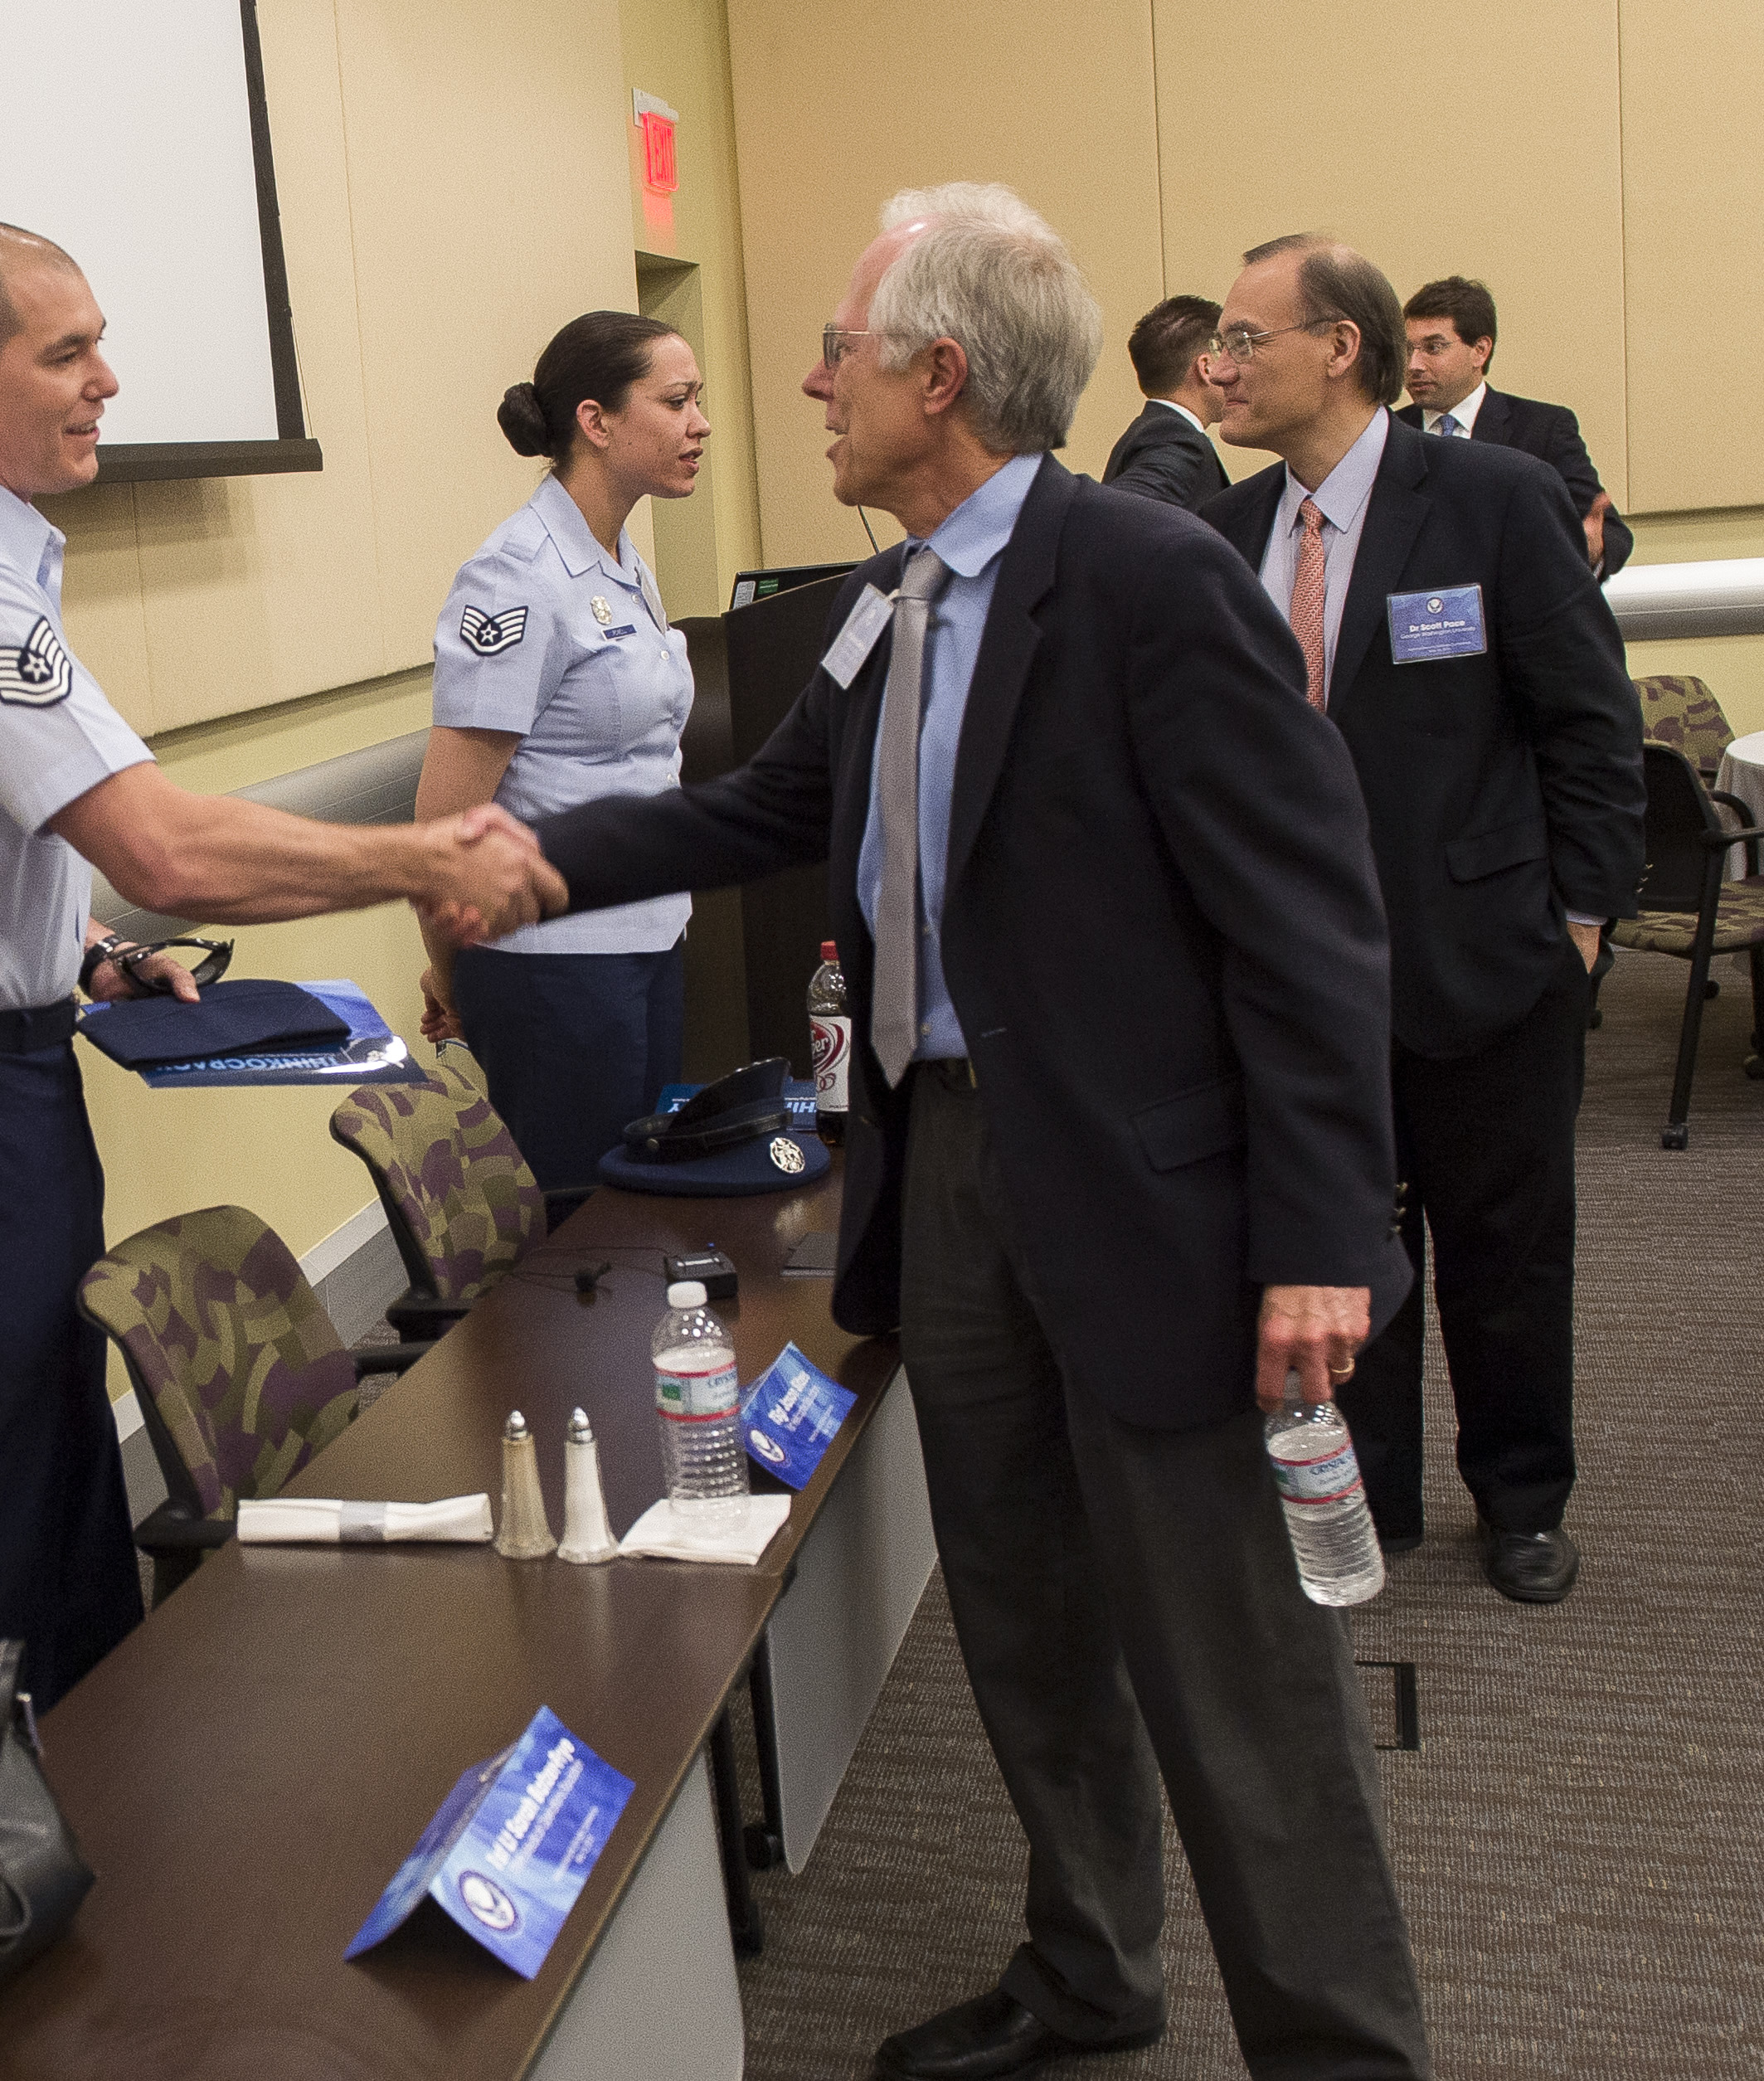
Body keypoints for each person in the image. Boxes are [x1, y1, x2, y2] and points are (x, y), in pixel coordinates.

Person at [514, 184, 1430, 2079]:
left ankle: (1345, 2051)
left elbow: (1314, 922)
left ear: (940, 377)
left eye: (839, 357)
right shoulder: (877, 608)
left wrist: (1326, 1232)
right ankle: (1095, 1965)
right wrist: (516, 855)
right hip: (950, 1178)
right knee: (1018, 1609)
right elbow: (756, 812)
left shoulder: (1149, 577)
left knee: (1237, 1675)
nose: (804, 383)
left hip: (1156, 1199)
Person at [0, 219, 561, 1733]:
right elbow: (168, 846)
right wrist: (425, 858)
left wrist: (88, 951)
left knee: (62, 1505)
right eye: (64, 353)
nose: (106, 380)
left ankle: (78, 1891)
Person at [1201, 236, 1643, 1606]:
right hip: (1298, 991)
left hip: (1488, 962)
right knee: (1340, 1247)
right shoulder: (1221, 536)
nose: (1216, 367)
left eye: (1241, 338)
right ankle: (1369, 1493)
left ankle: (1520, 1493)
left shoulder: (1494, 498)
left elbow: (1589, 724)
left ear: (1338, 346)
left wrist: (1580, 930)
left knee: (1507, 1253)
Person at [413, 311, 712, 1190]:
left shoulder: (624, 560)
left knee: (643, 1209)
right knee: (580, 1242)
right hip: (554, 966)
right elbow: (446, 820)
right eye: (677, 401)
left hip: (649, 936)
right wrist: (449, 969)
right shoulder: (517, 577)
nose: (700, 424)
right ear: (597, 420)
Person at [1392, 274, 1633, 576]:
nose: (1414, 364)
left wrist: (1588, 551)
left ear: (1480, 350)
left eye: (1434, 348)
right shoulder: (1389, 434)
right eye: (1408, 348)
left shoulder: (1543, 430)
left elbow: (1612, 534)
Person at [1097, 294, 1230, 508]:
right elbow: (1117, 514)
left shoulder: (1148, 431)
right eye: (1230, 352)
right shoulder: (1177, 440)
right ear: (1206, 367)